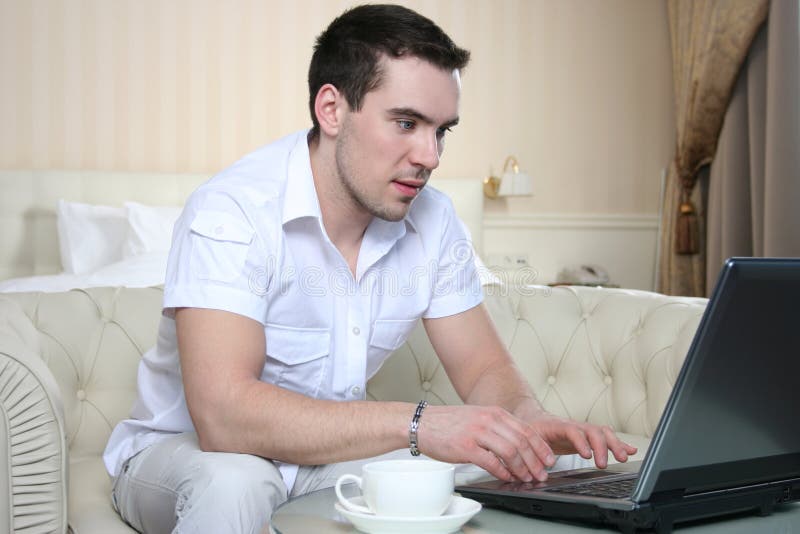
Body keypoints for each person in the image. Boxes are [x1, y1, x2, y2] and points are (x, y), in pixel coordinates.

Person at [103, 4, 637, 533]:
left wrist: (529, 423)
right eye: (406, 122)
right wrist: (421, 424)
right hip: (184, 454)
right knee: (236, 484)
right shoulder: (232, 210)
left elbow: (484, 373)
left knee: (530, 463)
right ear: (331, 110)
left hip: (327, 460)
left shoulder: (435, 220)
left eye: (441, 131)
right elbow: (223, 416)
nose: (429, 155)